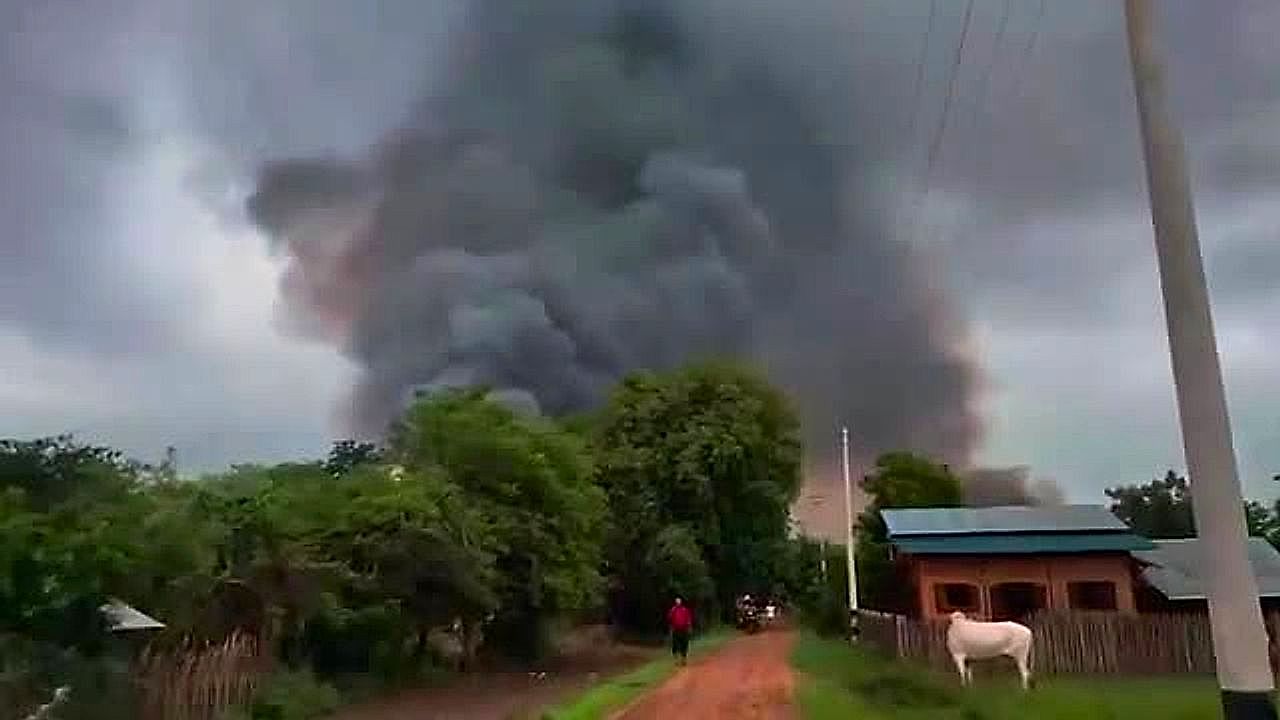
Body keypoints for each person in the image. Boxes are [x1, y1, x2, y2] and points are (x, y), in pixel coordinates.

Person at [667, 597, 693, 665]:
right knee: (675, 644)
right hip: (676, 629)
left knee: (684, 644)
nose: (678, 603)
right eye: (677, 602)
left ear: (681, 602)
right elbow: (669, 619)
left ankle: (683, 659)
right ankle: (676, 659)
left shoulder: (685, 610)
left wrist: (689, 627)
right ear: (675, 603)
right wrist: (671, 628)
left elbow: (688, 619)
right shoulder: (673, 610)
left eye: (679, 602)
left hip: (684, 629)